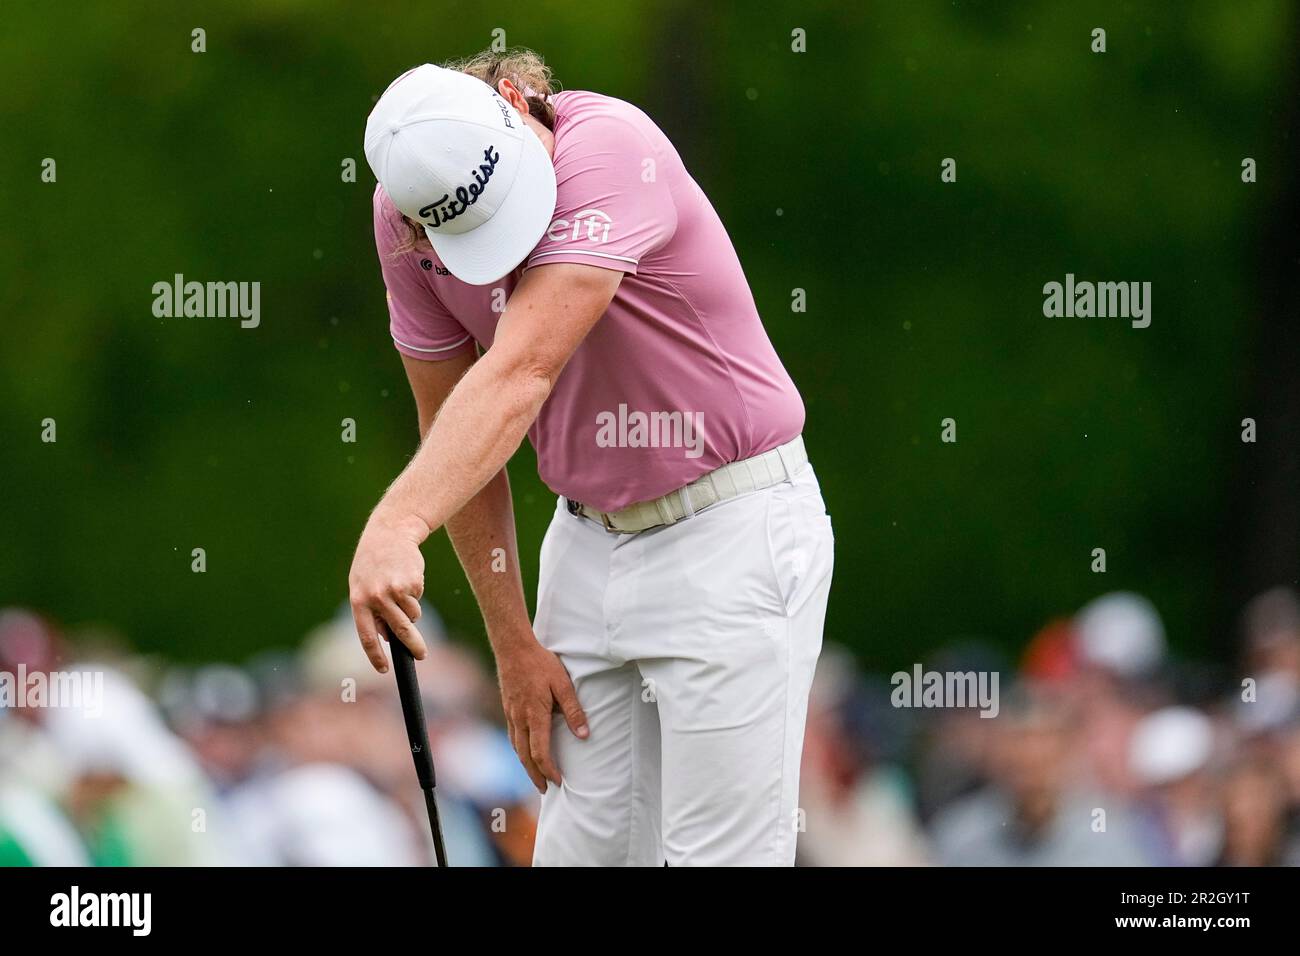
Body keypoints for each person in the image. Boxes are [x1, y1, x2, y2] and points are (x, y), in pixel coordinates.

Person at [350, 48, 833, 865]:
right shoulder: (405, 214)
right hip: (584, 548)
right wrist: (510, 642)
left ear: (517, 97)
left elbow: (518, 375)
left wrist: (398, 522)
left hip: (732, 530)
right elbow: (455, 435)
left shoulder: (611, 144)